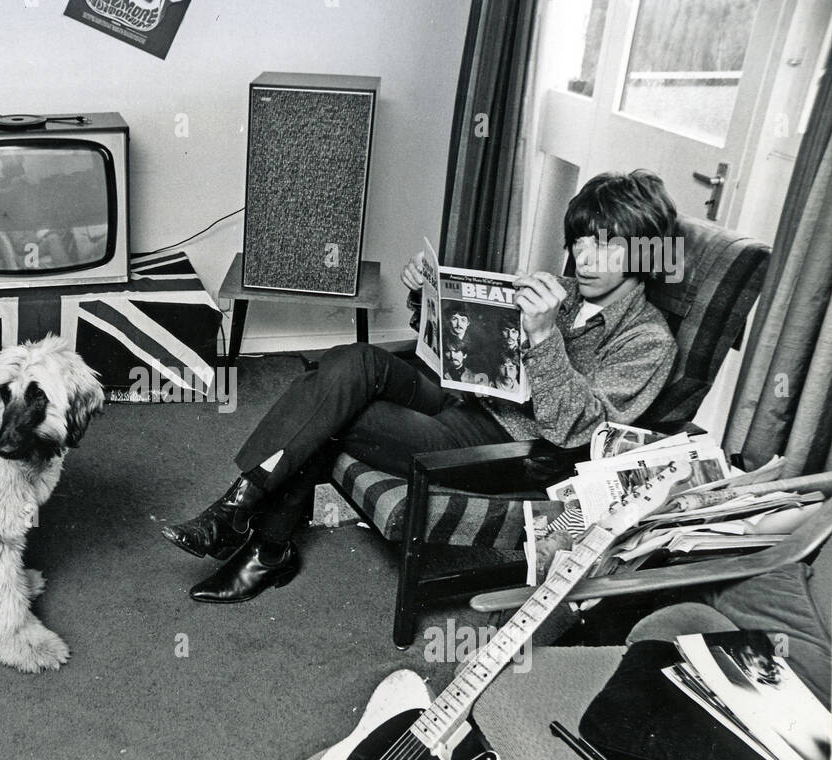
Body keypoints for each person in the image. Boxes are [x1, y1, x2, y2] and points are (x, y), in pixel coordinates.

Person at [162, 170, 680, 603]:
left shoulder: (648, 341)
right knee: (349, 362)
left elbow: (581, 431)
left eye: (607, 246)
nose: (586, 259)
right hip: (462, 397)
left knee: (331, 412)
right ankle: (240, 516)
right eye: (581, 241)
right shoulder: (559, 290)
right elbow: (471, 346)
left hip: (507, 447)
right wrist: (427, 299)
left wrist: (544, 337)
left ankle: (258, 539)